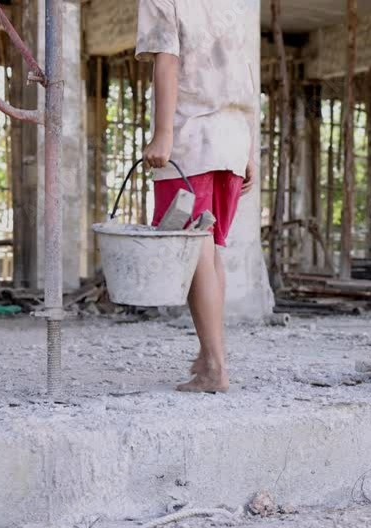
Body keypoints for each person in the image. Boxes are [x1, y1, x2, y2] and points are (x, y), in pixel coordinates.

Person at [136, 0, 258, 393]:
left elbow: (166, 63)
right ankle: (209, 356)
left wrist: (164, 134)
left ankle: (215, 368)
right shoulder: (230, 5)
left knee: (193, 247)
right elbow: (246, 77)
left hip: (192, 139)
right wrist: (250, 149)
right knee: (209, 247)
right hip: (233, 139)